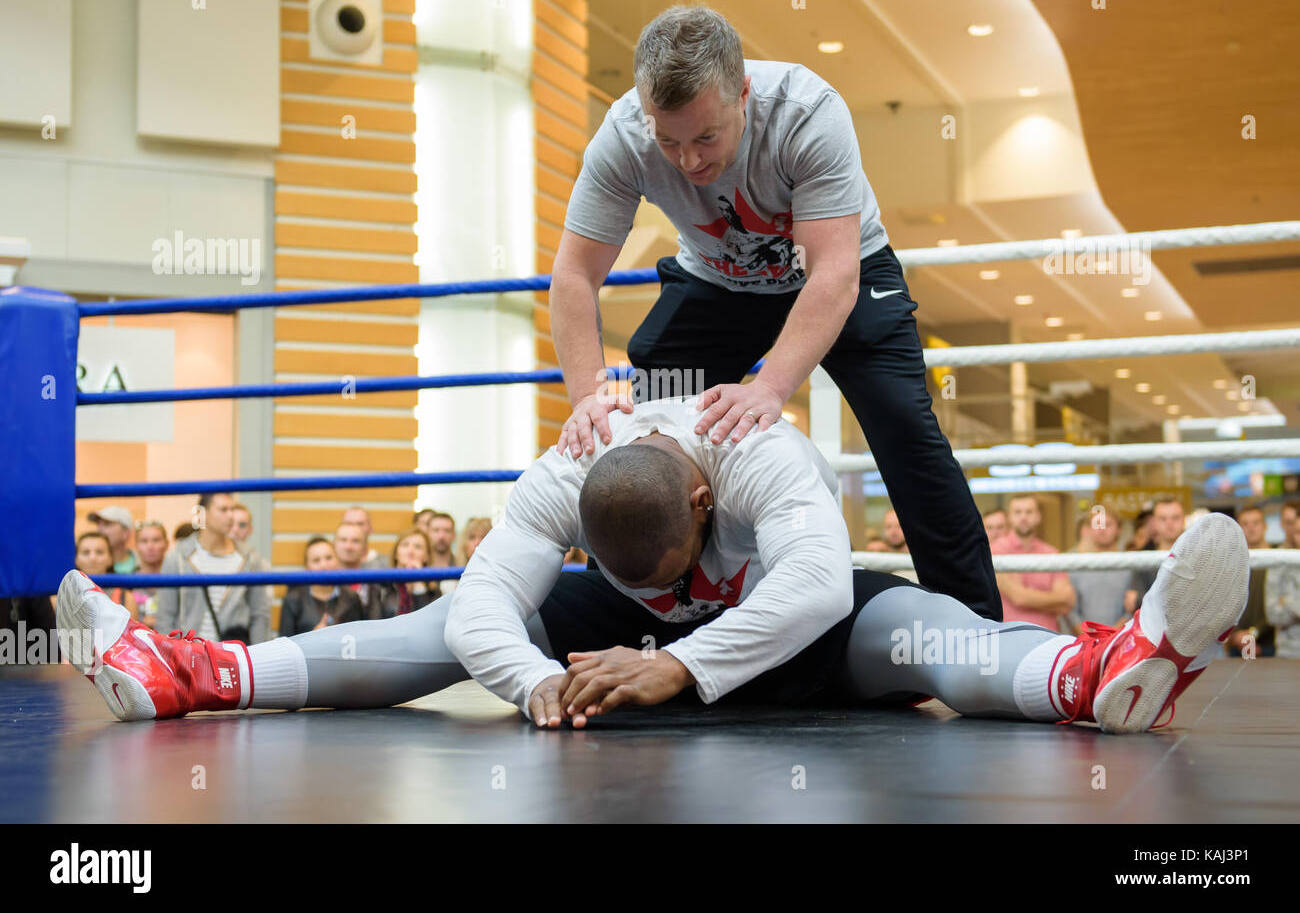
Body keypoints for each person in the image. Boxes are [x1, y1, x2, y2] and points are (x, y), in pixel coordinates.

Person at [57, 397, 1248, 736]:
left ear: (699, 497)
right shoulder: (557, 477)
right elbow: (483, 601)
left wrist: (674, 663)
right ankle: (202, 674)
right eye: (649, 576)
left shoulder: (762, 457)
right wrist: (529, 683)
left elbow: (813, 589)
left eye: (680, 559)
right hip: (628, 648)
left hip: (791, 629)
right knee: (440, 632)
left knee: (920, 630)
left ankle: (1096, 676)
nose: (673, 585)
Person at [547, 5, 999, 622]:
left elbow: (832, 274)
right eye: (669, 140)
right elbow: (574, 275)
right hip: (716, 281)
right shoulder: (623, 134)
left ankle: (976, 627)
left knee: (903, 428)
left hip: (843, 274)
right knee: (639, 446)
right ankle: (626, 618)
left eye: (705, 137)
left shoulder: (806, 112)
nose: (688, 161)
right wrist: (586, 399)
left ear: (744, 93)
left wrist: (771, 386)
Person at [155, 493, 271, 645]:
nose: (231, 516)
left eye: (232, 509)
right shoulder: (178, 557)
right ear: (202, 514)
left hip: (232, 657)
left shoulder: (249, 558)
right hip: (188, 658)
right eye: (223, 510)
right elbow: (165, 617)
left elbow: (260, 615)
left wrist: (257, 658)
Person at [990, 494, 1075, 632]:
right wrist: (1053, 599)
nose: (1023, 517)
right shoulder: (996, 552)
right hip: (1011, 636)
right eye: (1018, 512)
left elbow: (1066, 603)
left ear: (1038, 516)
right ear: (1009, 517)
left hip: (1048, 636)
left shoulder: (1051, 553)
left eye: (1029, 512)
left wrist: (1026, 595)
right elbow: (1019, 598)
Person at [279, 537, 364, 637]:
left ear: (337, 560)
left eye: (328, 558)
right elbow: (286, 645)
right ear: (307, 567)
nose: (324, 565)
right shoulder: (293, 599)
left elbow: (359, 640)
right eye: (316, 560)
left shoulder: (351, 597)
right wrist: (313, 638)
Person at [1066, 504, 1129, 629]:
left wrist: (1113, 635)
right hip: (1082, 641)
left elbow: (1135, 607)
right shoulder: (1074, 562)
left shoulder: (1130, 563)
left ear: (1119, 529)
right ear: (1088, 529)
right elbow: (1069, 610)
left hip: (1121, 640)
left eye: (1108, 524)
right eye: (1097, 523)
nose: (1102, 529)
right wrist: (1087, 635)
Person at [1225, 504, 1275, 656]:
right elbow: (1224, 604)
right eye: (1245, 524)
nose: (1251, 528)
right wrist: (1237, 635)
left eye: (1256, 522)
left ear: (1265, 526)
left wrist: (1255, 632)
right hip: (1236, 644)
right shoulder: (1230, 564)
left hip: (1270, 644)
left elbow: (1280, 604)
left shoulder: (1277, 559)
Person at [1124, 497, 1186, 615]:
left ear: (1183, 519)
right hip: (1152, 630)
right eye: (1163, 518)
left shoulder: (1199, 556)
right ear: (1154, 522)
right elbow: (1131, 603)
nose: (1169, 523)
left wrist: (1142, 599)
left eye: (1175, 517)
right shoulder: (1142, 558)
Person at [374, 529, 444, 618]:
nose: (411, 551)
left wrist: (418, 583)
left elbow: (427, 622)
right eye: (405, 545)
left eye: (418, 547)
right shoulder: (381, 586)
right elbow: (374, 622)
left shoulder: (434, 591)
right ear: (396, 553)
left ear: (427, 556)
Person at [73, 532, 137, 621]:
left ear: (110, 559)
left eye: (99, 552)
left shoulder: (126, 598)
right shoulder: (59, 598)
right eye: (86, 552)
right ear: (76, 559)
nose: (92, 558)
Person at [1265, 512, 1300, 658]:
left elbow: (1281, 607)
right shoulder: (1280, 562)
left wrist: (1286, 601)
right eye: (1298, 532)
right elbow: (1273, 615)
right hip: (1288, 653)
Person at [127, 520, 169, 628]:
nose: (150, 546)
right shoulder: (127, 582)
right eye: (144, 541)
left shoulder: (176, 580)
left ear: (166, 544)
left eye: (156, 540)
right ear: (136, 546)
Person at [87, 506, 137, 574]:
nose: (99, 529)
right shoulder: (87, 564)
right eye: (98, 524)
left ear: (125, 532)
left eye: (107, 524)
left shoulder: (144, 563)